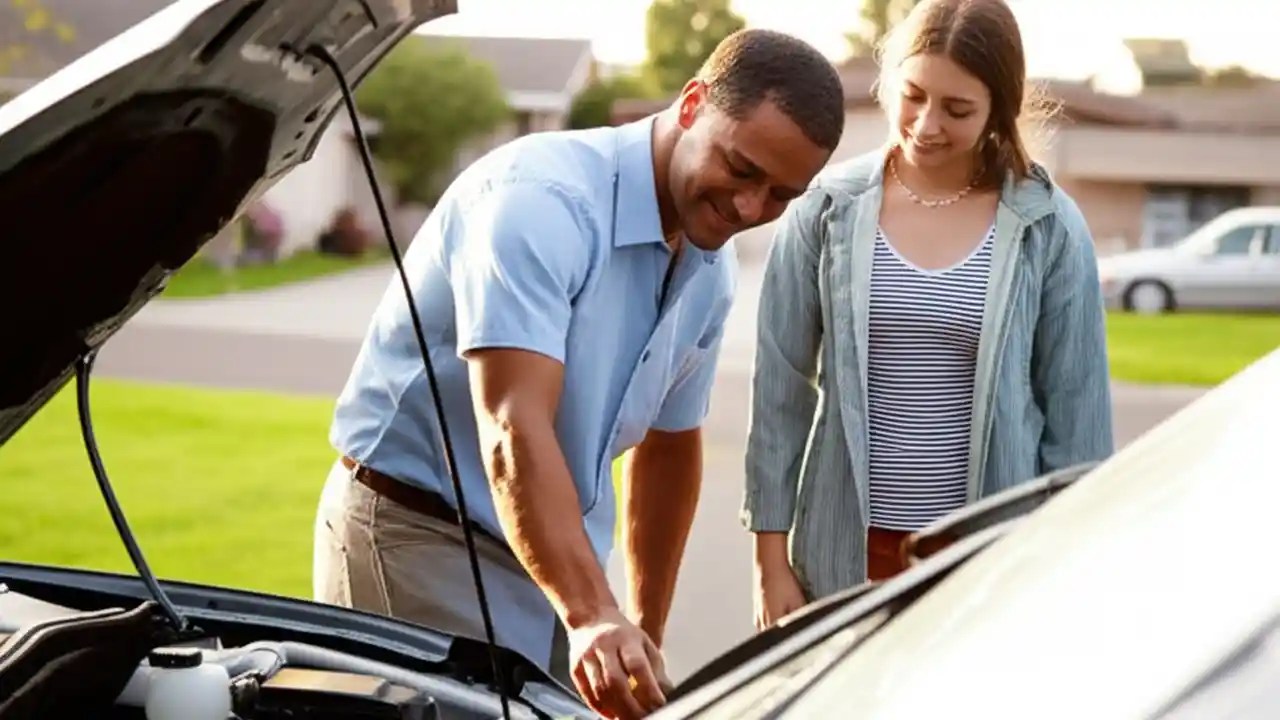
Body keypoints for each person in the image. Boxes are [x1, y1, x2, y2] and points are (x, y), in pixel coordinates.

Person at [313, 28, 846, 720]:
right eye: (741, 169)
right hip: (419, 536)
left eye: (780, 195)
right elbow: (513, 425)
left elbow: (668, 447)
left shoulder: (708, 267)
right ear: (691, 105)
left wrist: (642, 630)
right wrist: (592, 612)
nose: (750, 209)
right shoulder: (540, 201)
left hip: (549, 552)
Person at [742, 0, 1114, 631]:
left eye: (958, 109)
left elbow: (1077, 423)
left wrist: (1067, 568)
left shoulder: (1048, 226)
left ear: (1000, 105)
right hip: (841, 559)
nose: (925, 123)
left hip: (989, 559)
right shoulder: (825, 211)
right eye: (912, 95)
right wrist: (769, 562)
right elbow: (780, 392)